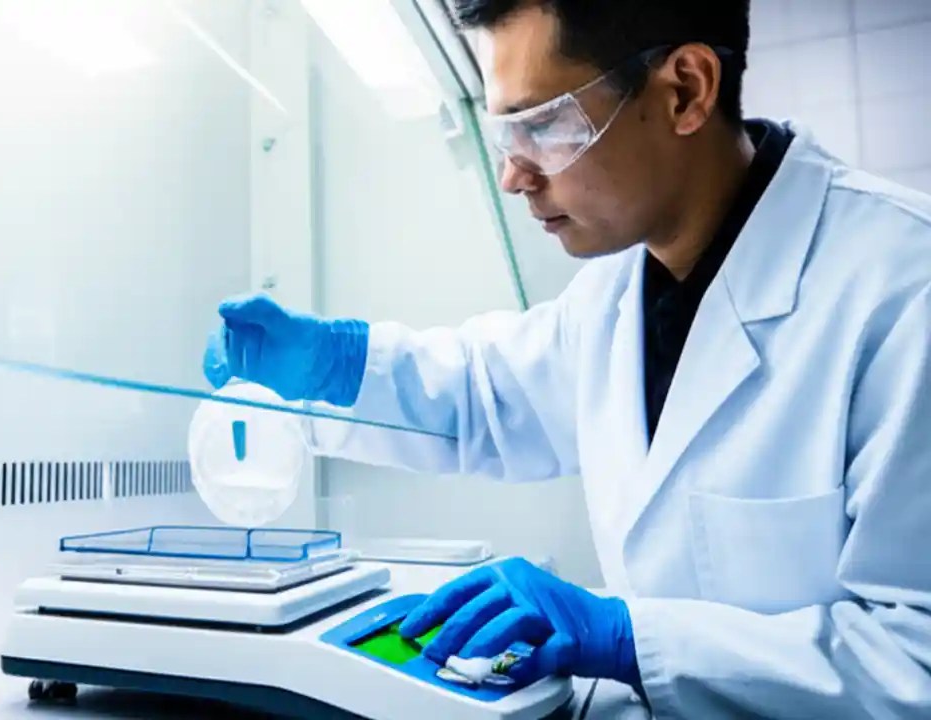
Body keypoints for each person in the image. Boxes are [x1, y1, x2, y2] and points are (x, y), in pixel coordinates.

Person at [202, 0, 931, 717]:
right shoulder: (616, 292)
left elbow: (915, 664)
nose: (514, 177)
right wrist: (335, 365)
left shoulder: (904, 287)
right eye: (504, 133)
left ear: (686, 90)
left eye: (545, 125)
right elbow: (486, 396)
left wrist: (629, 638)